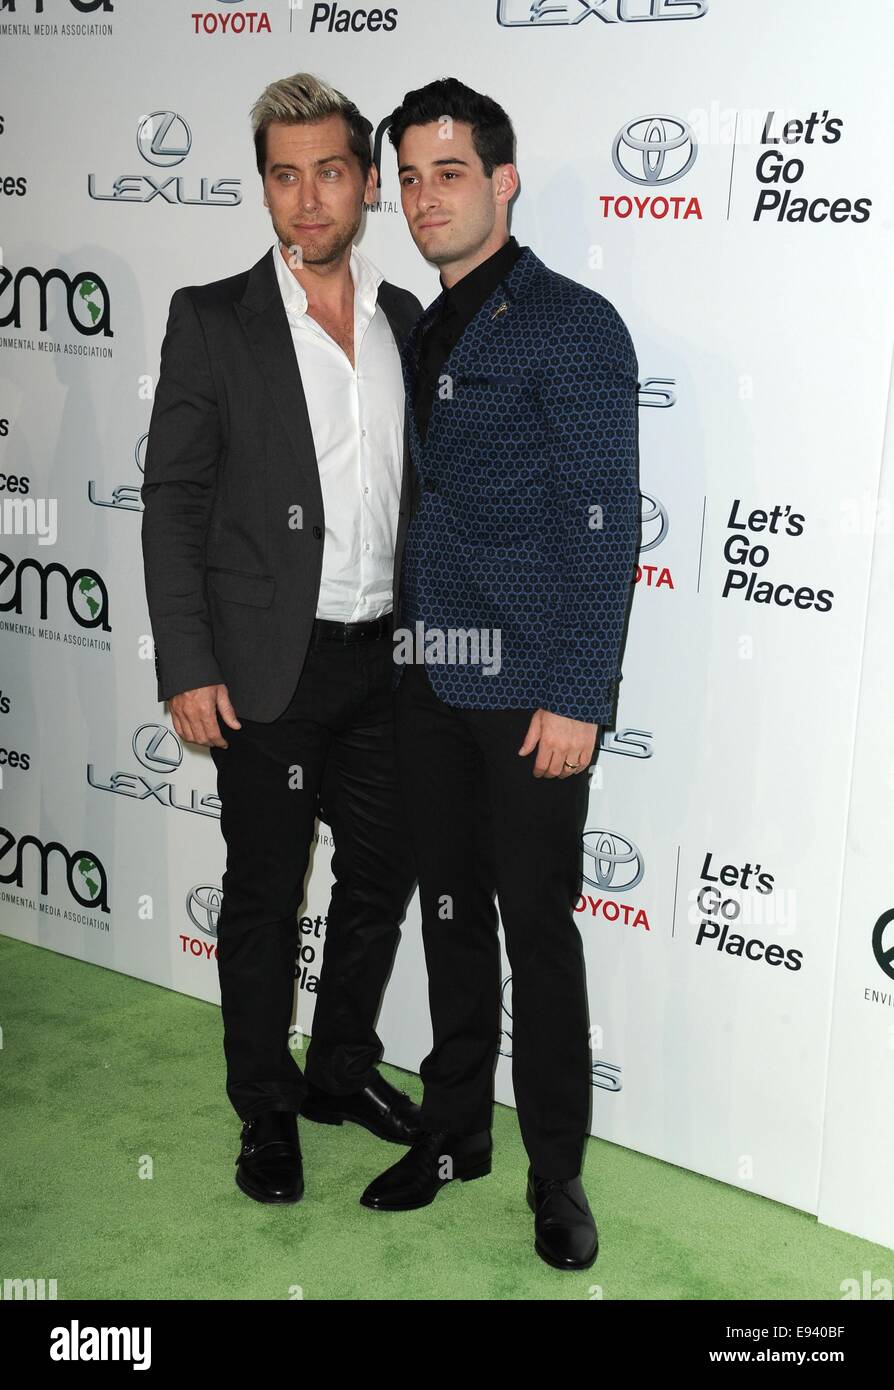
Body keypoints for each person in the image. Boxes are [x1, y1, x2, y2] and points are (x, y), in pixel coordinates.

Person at [359, 78, 641, 1271]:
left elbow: (601, 522)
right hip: (429, 675)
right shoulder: (416, 326)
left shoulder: (574, 323)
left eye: (450, 173)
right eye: (411, 177)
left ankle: (558, 1175)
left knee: (541, 931)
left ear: (503, 180)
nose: (427, 197)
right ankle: (453, 1130)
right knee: (450, 916)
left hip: (532, 698)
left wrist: (579, 691)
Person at [141, 72, 423, 1207]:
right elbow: (171, 499)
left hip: (387, 661)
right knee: (263, 895)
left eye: (330, 172)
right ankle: (265, 1106)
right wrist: (188, 661)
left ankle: (340, 1069)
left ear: (365, 183)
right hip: (270, 664)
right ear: (263, 186)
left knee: (379, 876)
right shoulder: (213, 318)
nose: (308, 199)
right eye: (284, 175)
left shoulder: (407, 322)